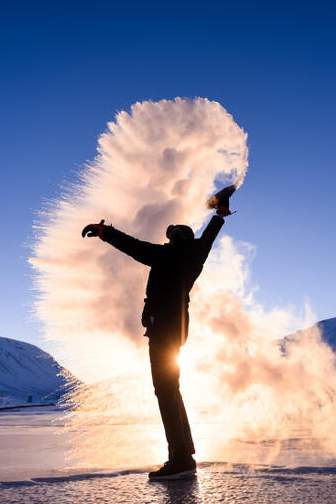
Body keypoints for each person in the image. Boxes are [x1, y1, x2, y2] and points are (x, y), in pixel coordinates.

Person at [82, 185, 235, 480]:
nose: (168, 237)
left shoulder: (167, 255)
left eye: (171, 234)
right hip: (176, 333)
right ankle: (184, 455)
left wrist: (104, 231)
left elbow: (133, 246)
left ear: (176, 238)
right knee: (171, 392)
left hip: (162, 332)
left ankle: (179, 458)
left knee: (165, 393)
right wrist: (221, 210)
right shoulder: (196, 255)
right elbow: (212, 232)